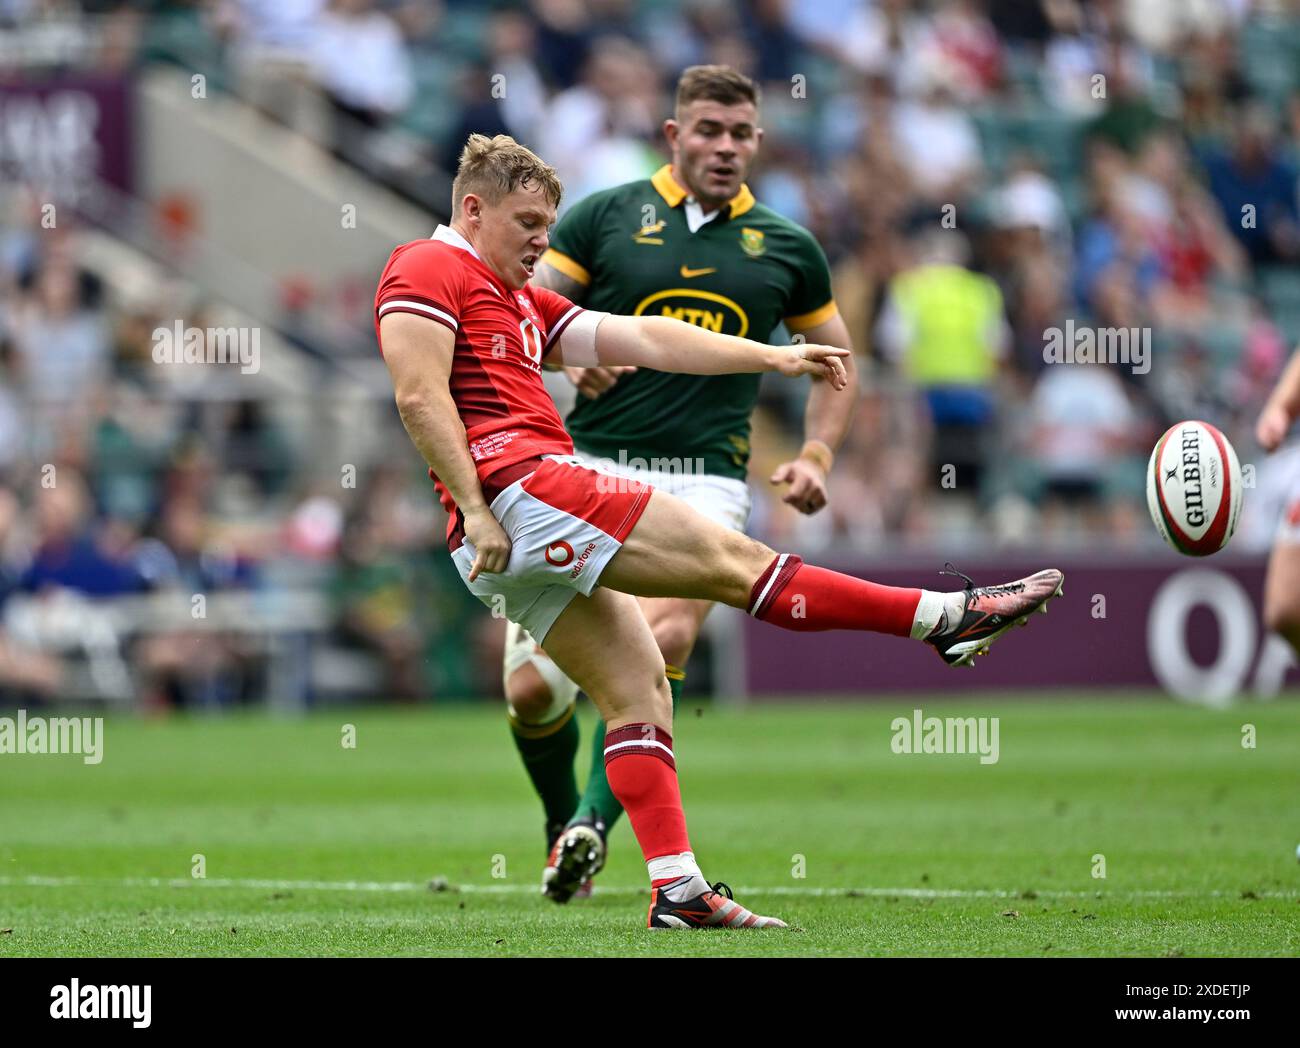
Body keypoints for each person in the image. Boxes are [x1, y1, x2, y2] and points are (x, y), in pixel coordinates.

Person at [375, 133, 1063, 930]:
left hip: (513, 517)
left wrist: (769, 358)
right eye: (528, 221)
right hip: (523, 489)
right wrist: (480, 506)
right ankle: (942, 618)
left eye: (549, 223)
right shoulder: (426, 267)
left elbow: (648, 337)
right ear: (471, 208)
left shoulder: (521, 298)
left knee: (637, 689)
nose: (543, 240)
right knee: (740, 565)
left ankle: (676, 891)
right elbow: (419, 400)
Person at [505, 65, 859, 903]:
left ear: (758, 141)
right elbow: (528, 315)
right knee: (529, 693)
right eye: (708, 129)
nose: (724, 147)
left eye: (740, 134)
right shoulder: (603, 216)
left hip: (705, 479)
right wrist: (562, 361)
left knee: (663, 641)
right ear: (674, 135)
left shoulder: (786, 247)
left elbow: (839, 363)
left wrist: (817, 457)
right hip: (584, 467)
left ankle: (594, 822)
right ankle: (564, 822)